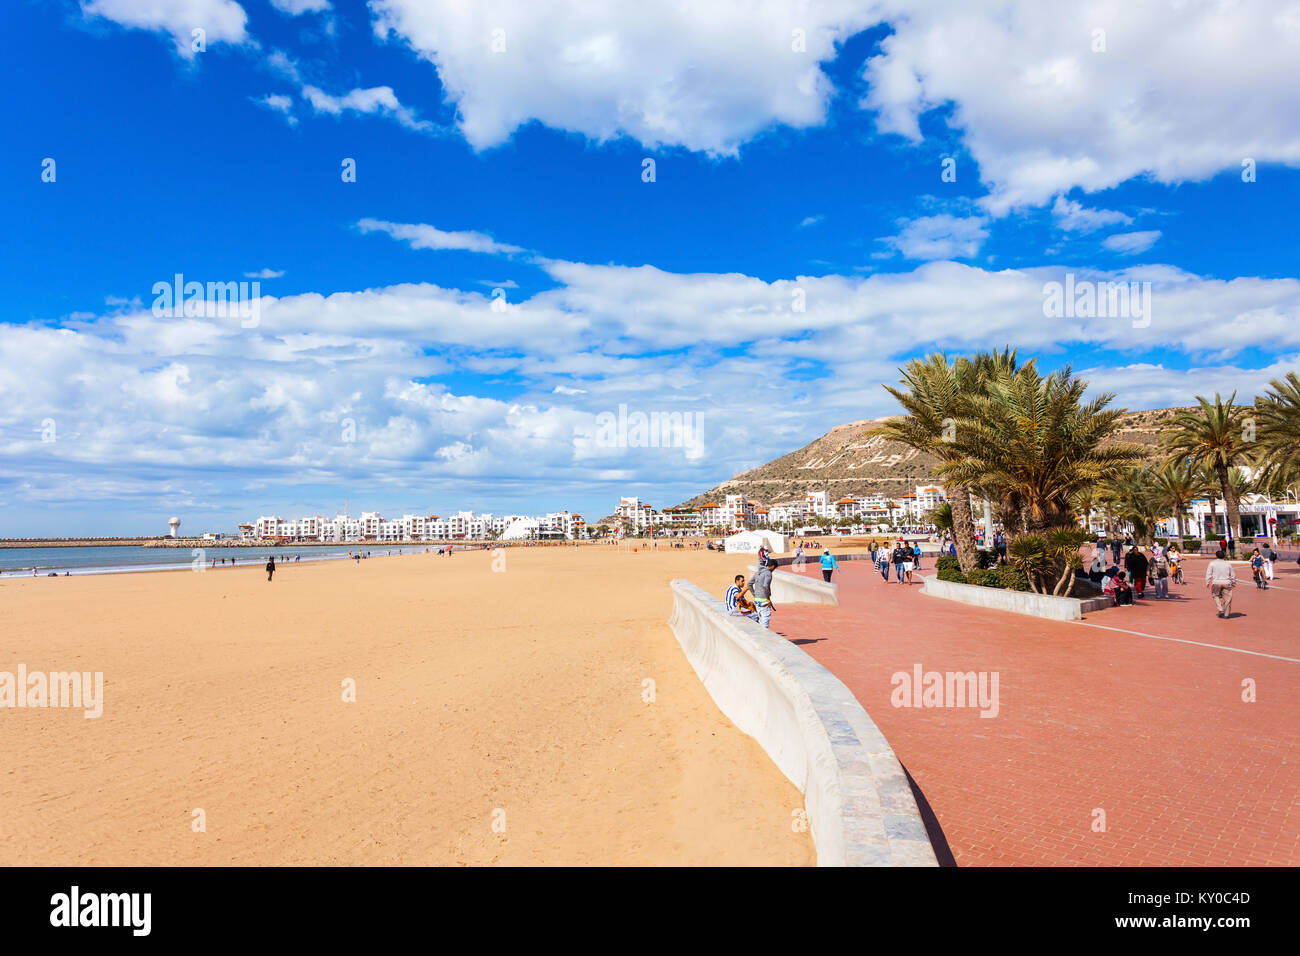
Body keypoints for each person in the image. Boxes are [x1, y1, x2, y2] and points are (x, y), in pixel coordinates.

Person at [1205, 550, 1237, 618]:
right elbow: (1232, 574)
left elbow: (1208, 573)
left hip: (1216, 582)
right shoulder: (1228, 564)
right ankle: (1226, 614)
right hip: (1226, 582)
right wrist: (1233, 582)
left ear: (1216, 556)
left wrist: (1207, 582)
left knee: (1215, 596)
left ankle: (1220, 609)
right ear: (1224, 556)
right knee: (1228, 599)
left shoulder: (1212, 563)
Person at [748, 558, 776, 629]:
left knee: (760, 621)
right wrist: (767, 598)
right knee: (765, 624)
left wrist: (755, 595)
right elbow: (766, 585)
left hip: (757, 600)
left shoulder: (757, 572)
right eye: (774, 568)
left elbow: (749, 584)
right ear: (772, 566)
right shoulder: (768, 573)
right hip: (764, 601)